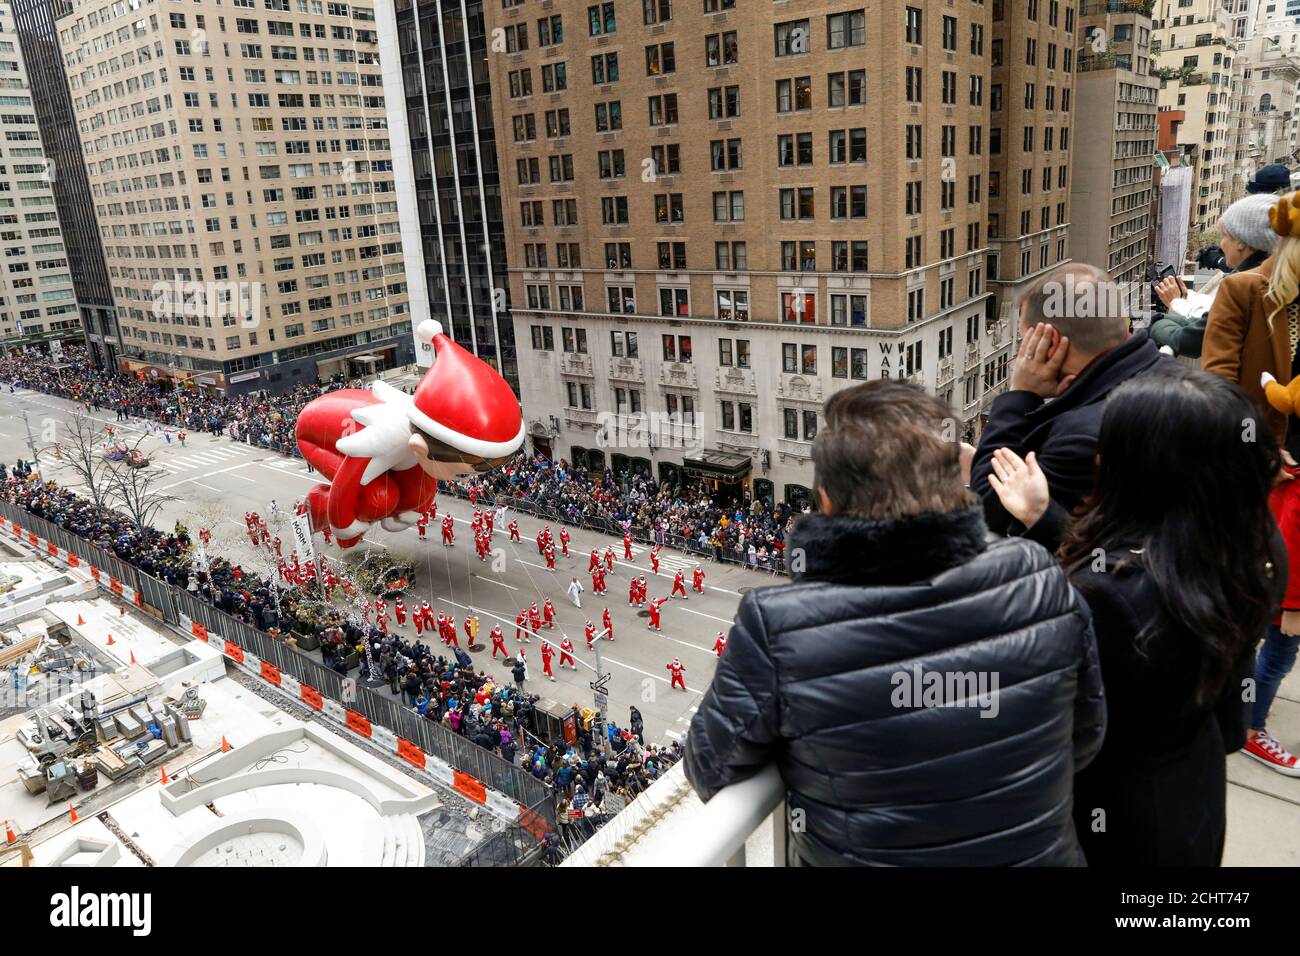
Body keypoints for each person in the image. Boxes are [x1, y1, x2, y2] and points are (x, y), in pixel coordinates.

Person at [685, 379, 1105, 867]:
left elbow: (709, 764)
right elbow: (1087, 735)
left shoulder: (778, 623)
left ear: (825, 501)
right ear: (955, 485)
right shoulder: (1041, 577)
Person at [988, 367, 1284, 865]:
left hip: (1116, 822)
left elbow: (1050, 729)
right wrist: (1046, 520)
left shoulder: (1105, 600)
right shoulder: (1254, 547)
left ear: (1132, 469)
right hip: (1193, 791)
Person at [970, 262, 1168, 551]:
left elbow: (987, 510)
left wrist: (1021, 394)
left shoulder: (1080, 438)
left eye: (1026, 342)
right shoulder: (1168, 373)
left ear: (1047, 344)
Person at [1203, 189, 1300, 456]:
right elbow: (1221, 382)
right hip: (1261, 453)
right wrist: (1255, 448)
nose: (1221, 243)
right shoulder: (1243, 289)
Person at [1150, 194, 1278, 358]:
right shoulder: (1275, 274)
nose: (1221, 245)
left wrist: (1157, 323)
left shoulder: (1244, 285)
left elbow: (1192, 340)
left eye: (1224, 236)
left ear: (1241, 242)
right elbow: (1211, 324)